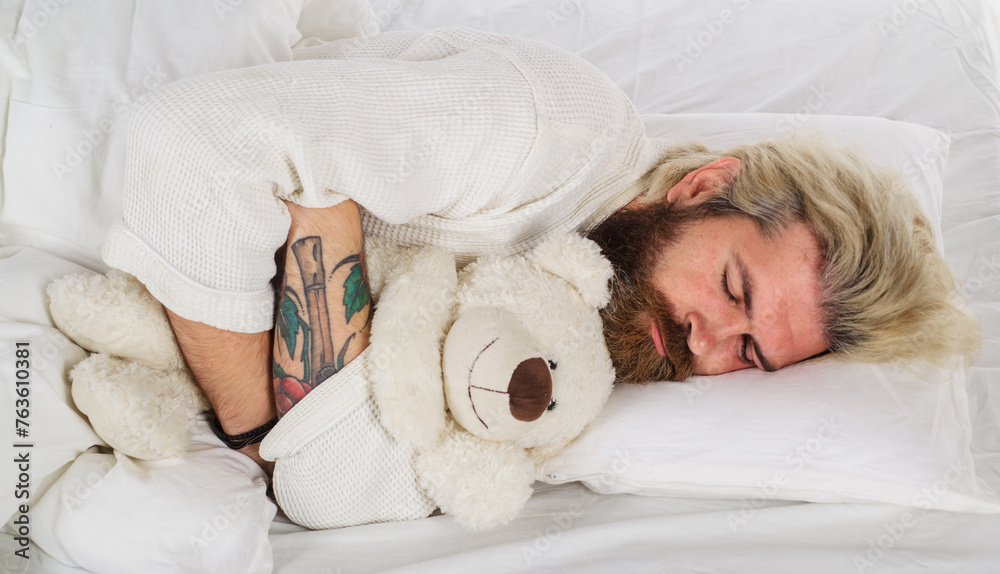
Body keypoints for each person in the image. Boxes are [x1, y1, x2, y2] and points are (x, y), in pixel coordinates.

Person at [103, 27, 979, 526]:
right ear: (704, 184)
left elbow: (332, 487)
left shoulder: (578, 366)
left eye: (750, 353)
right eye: (733, 289)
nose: (707, 339)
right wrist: (256, 431)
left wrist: (321, 211)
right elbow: (183, 146)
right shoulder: (552, 131)